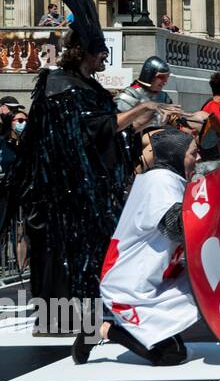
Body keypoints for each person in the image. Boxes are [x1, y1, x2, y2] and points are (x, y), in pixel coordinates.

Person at [2, 0, 173, 335]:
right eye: (98, 54)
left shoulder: (89, 87)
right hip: (62, 193)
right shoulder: (58, 84)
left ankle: (92, 311)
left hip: (89, 189)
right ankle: (59, 320)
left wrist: (137, 123)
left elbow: (104, 129)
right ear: (82, 52)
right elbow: (81, 133)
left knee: (92, 251)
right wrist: (137, 111)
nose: (103, 60)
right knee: (64, 252)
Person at [73, 129, 201, 366]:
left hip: (154, 277)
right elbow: (174, 227)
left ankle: (121, 326)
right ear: (176, 154)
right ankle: (103, 328)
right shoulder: (160, 180)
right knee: (170, 356)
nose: (199, 158)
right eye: (193, 153)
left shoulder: (168, 179)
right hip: (130, 285)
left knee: (200, 291)